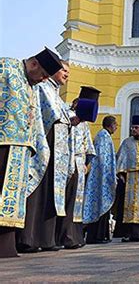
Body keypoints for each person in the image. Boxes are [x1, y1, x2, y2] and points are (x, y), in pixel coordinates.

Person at [1, 48, 63, 258]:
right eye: (44, 75)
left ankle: (5, 246)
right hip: (2, 142)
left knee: (11, 200)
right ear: (34, 64)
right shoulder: (6, 66)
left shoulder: (32, 85)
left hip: (21, 149)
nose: (44, 80)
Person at [16, 59, 73, 254]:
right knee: (39, 192)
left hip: (57, 151)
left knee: (51, 193)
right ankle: (28, 238)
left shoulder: (56, 93)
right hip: (44, 144)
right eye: (64, 70)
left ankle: (46, 238)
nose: (66, 74)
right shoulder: (42, 87)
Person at [56, 88, 98, 250]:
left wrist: (87, 164)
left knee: (77, 203)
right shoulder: (67, 117)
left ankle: (75, 235)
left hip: (80, 165)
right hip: (69, 164)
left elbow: (89, 147)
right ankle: (65, 236)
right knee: (68, 201)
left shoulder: (84, 123)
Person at [83, 116, 118, 244]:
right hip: (102, 177)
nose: (116, 127)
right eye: (116, 124)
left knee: (103, 207)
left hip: (103, 176)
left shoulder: (104, 135)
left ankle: (102, 235)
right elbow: (103, 158)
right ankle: (96, 236)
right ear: (111, 125)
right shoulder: (103, 136)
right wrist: (108, 176)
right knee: (100, 206)